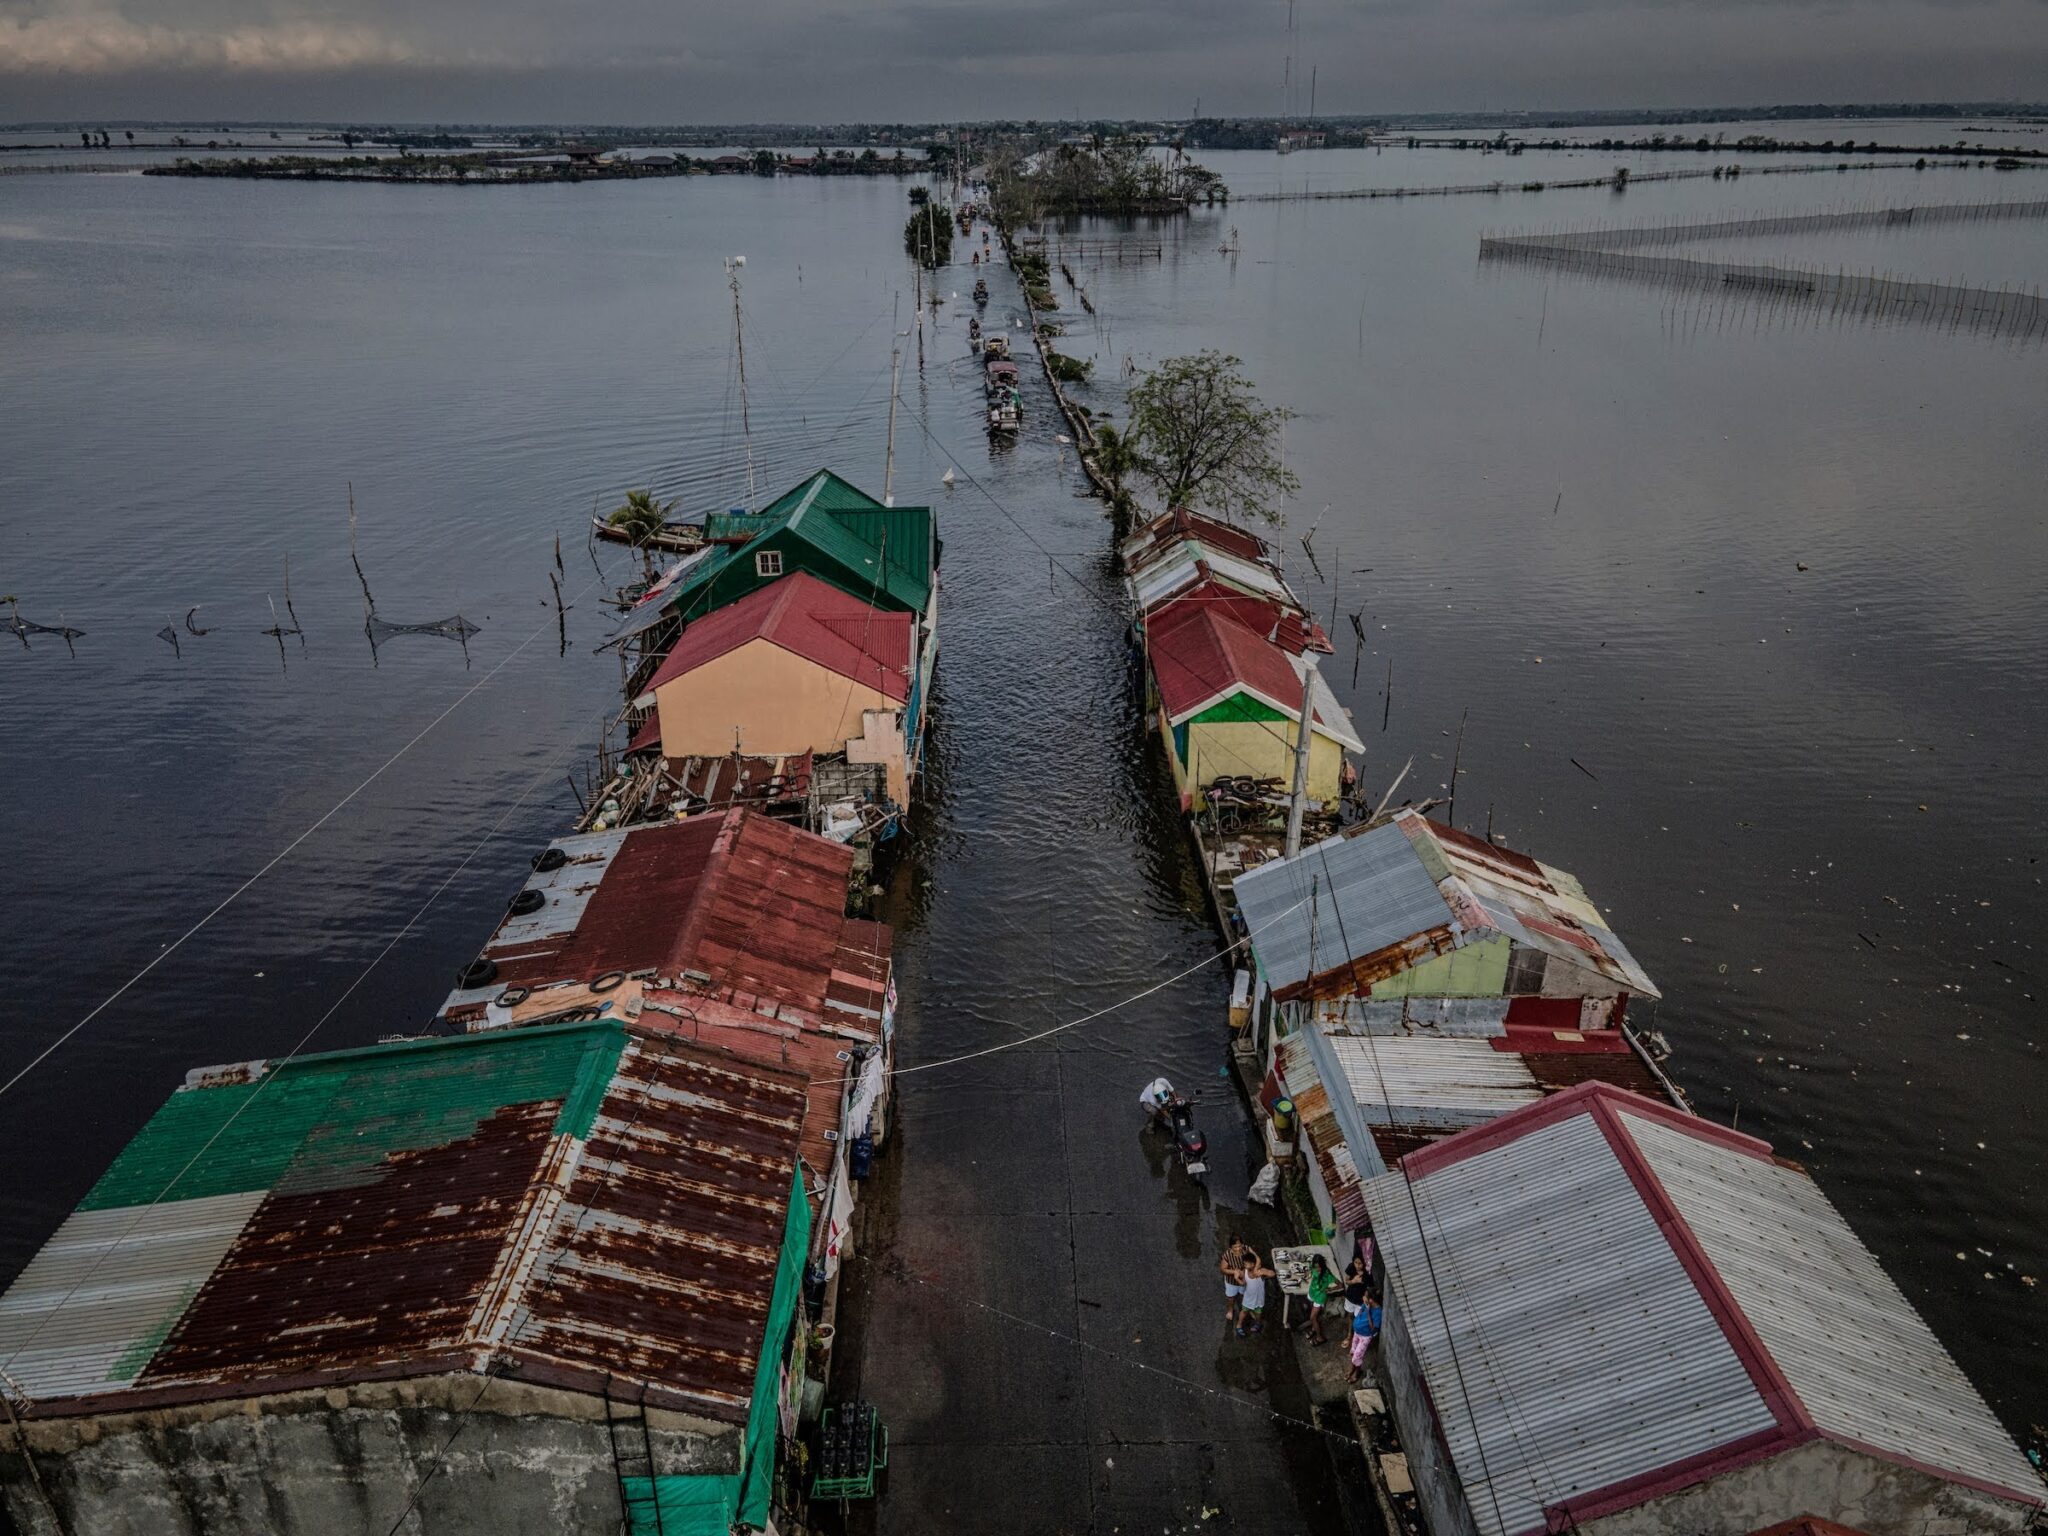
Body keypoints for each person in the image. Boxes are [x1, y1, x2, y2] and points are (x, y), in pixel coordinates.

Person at [1348, 1288, 1383, 1383]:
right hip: (1357, 1332)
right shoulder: (1367, 1304)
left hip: (1365, 1337)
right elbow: (1360, 1312)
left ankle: (1357, 1372)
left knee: (1357, 1357)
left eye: (1366, 1296)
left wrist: (1368, 1311)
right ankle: (1353, 1368)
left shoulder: (1378, 1312)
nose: (1363, 1297)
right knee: (1353, 1351)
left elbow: (1373, 1329)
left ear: (1371, 1300)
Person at [1237, 1253, 1273, 1337]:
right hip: (1248, 1298)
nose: (1244, 1265)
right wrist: (1237, 1278)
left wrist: (1265, 1273)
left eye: (1246, 1264)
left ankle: (1258, 1323)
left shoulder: (1260, 1272)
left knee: (1258, 1313)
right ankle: (1239, 1324)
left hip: (1258, 1299)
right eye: (1244, 1263)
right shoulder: (1244, 1272)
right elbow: (1243, 1283)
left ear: (1253, 1264)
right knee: (1244, 1311)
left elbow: (1272, 1273)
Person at [1218, 1238, 1251, 1327]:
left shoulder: (1246, 1250)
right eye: (1235, 1247)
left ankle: (1246, 1308)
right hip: (1231, 1281)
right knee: (1231, 1297)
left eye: (1239, 1246)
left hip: (1244, 1279)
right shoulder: (1227, 1255)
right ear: (1231, 1247)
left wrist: (1245, 1271)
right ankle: (1230, 1310)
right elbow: (1223, 1269)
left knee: (1245, 1294)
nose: (1238, 1248)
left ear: (1242, 1244)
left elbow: (1255, 1259)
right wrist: (1234, 1272)